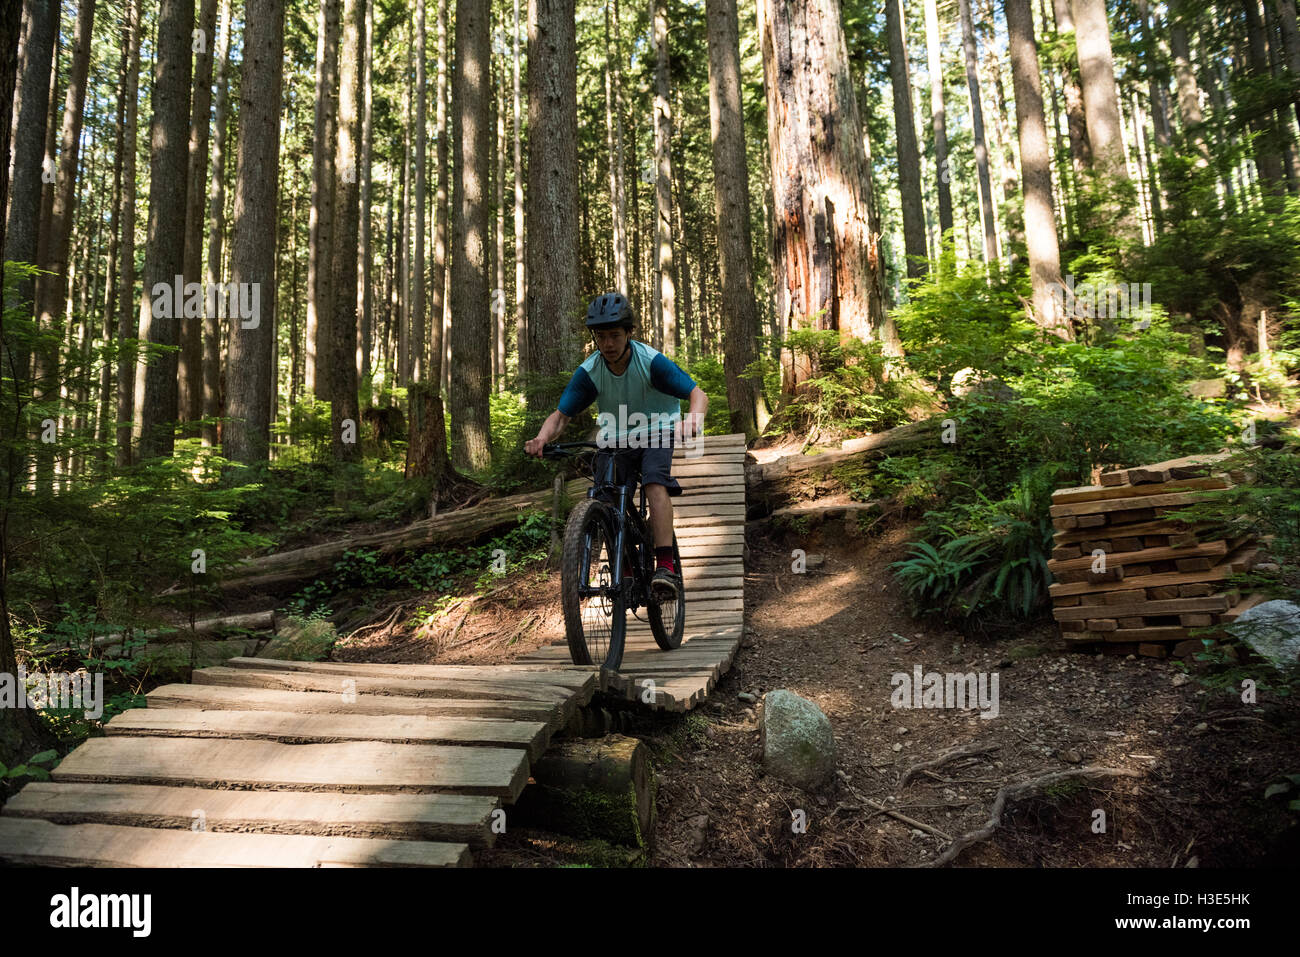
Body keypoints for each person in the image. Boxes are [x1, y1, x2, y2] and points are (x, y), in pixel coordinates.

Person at [524, 291, 708, 601]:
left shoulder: (650, 362)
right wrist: (542, 439)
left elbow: (697, 395)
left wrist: (692, 422)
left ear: (628, 333)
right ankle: (624, 566)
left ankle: (665, 566)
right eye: (601, 336)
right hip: (614, 438)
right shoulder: (591, 371)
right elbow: (561, 416)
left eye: (614, 335)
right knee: (606, 497)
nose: (608, 344)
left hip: (658, 429)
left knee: (653, 484)